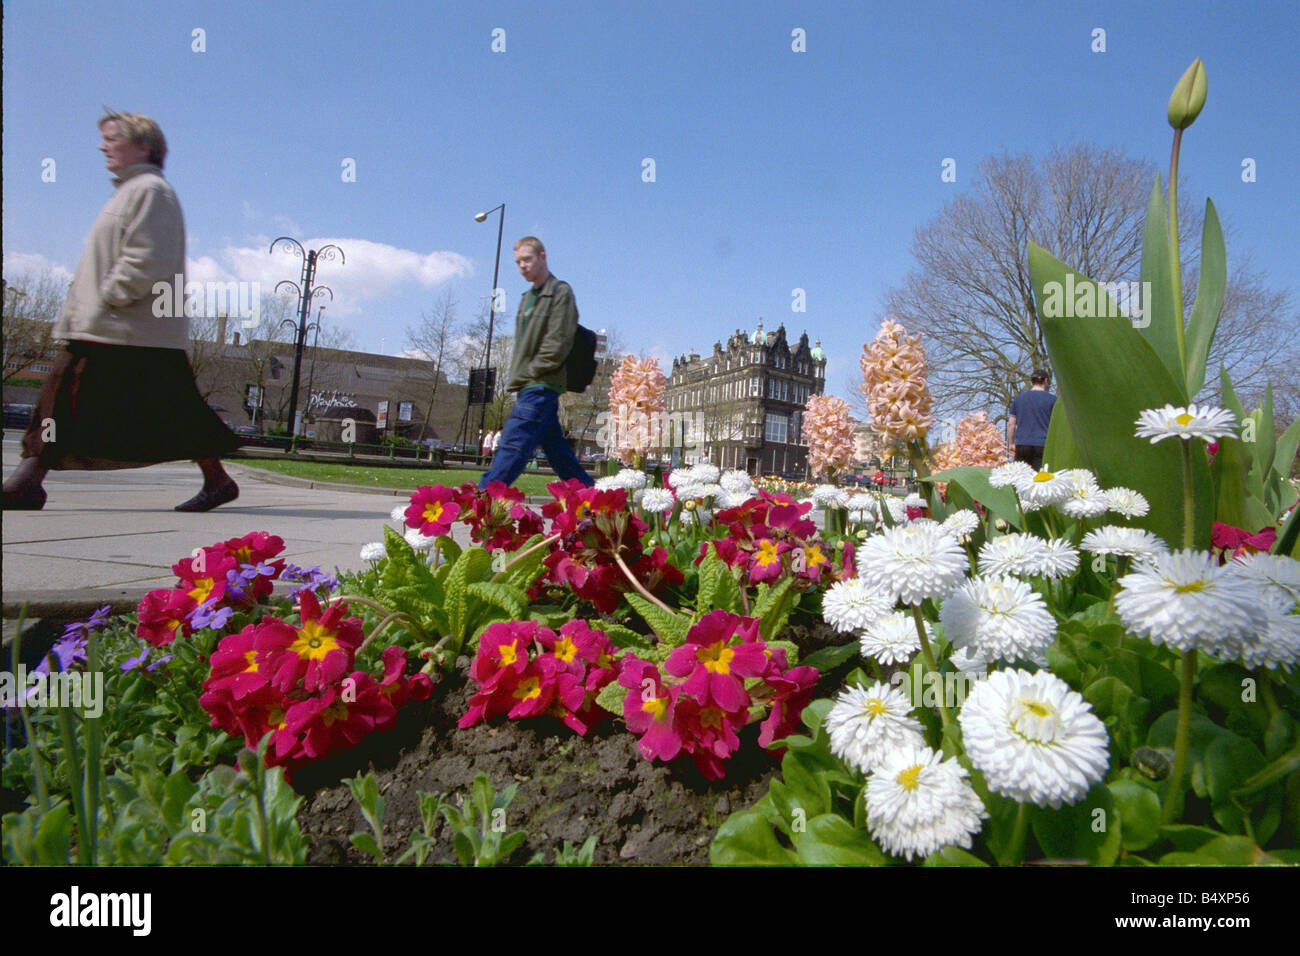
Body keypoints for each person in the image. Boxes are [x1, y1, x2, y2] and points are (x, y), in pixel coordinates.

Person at [2, 110, 241, 512]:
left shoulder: (150, 191)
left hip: (122, 324)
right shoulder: (133, 191)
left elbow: (150, 256)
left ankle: (28, 479)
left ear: (143, 145)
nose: (103, 146)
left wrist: (109, 297)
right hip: (125, 328)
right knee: (173, 408)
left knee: (58, 395)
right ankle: (217, 480)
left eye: (113, 138)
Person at [477, 237, 593, 490]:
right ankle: (597, 504)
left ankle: (481, 499)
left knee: (512, 445)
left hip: (541, 384)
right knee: (561, 458)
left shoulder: (560, 292)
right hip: (527, 385)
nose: (523, 266)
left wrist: (530, 372)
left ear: (543, 256)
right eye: (518, 262)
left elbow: (559, 341)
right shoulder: (527, 298)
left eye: (527, 259)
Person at [1007, 369, 1056, 471]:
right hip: (1043, 444)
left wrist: (1011, 443)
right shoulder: (1053, 400)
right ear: (1046, 380)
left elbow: (1011, 425)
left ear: (1032, 381)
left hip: (1022, 444)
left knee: (1021, 478)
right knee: (1040, 479)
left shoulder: (1018, 399)